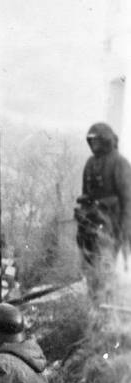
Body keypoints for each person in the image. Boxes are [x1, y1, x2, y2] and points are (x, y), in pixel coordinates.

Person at [75, 122, 131, 298]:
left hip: (111, 225)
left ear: (106, 140)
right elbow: (85, 193)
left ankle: (107, 304)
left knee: (106, 266)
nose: (94, 144)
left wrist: (124, 229)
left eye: (97, 140)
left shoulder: (120, 163)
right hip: (89, 224)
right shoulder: (90, 163)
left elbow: (128, 199)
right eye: (91, 141)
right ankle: (94, 302)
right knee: (90, 266)